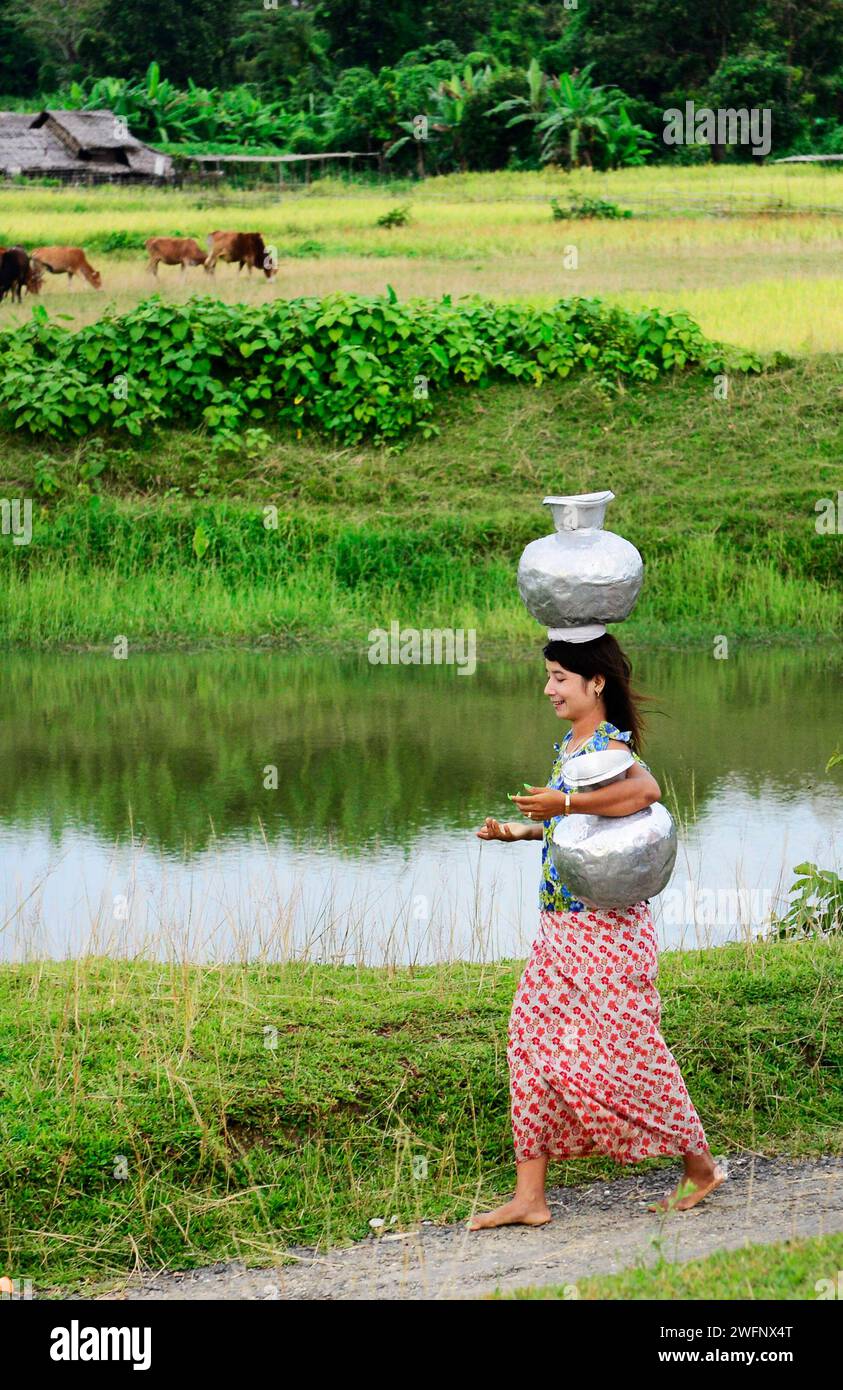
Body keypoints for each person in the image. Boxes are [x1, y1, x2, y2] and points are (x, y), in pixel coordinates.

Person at [469, 633, 725, 1229]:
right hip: (560, 928)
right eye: (551, 676)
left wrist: (562, 804)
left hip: (607, 930)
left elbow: (645, 793)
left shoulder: (610, 743)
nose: (549, 688)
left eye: (560, 677)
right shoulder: (572, 744)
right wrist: (519, 832)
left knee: (630, 1049)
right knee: (528, 1042)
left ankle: (702, 1167)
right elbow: (588, 834)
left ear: (596, 683)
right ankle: (530, 1196)